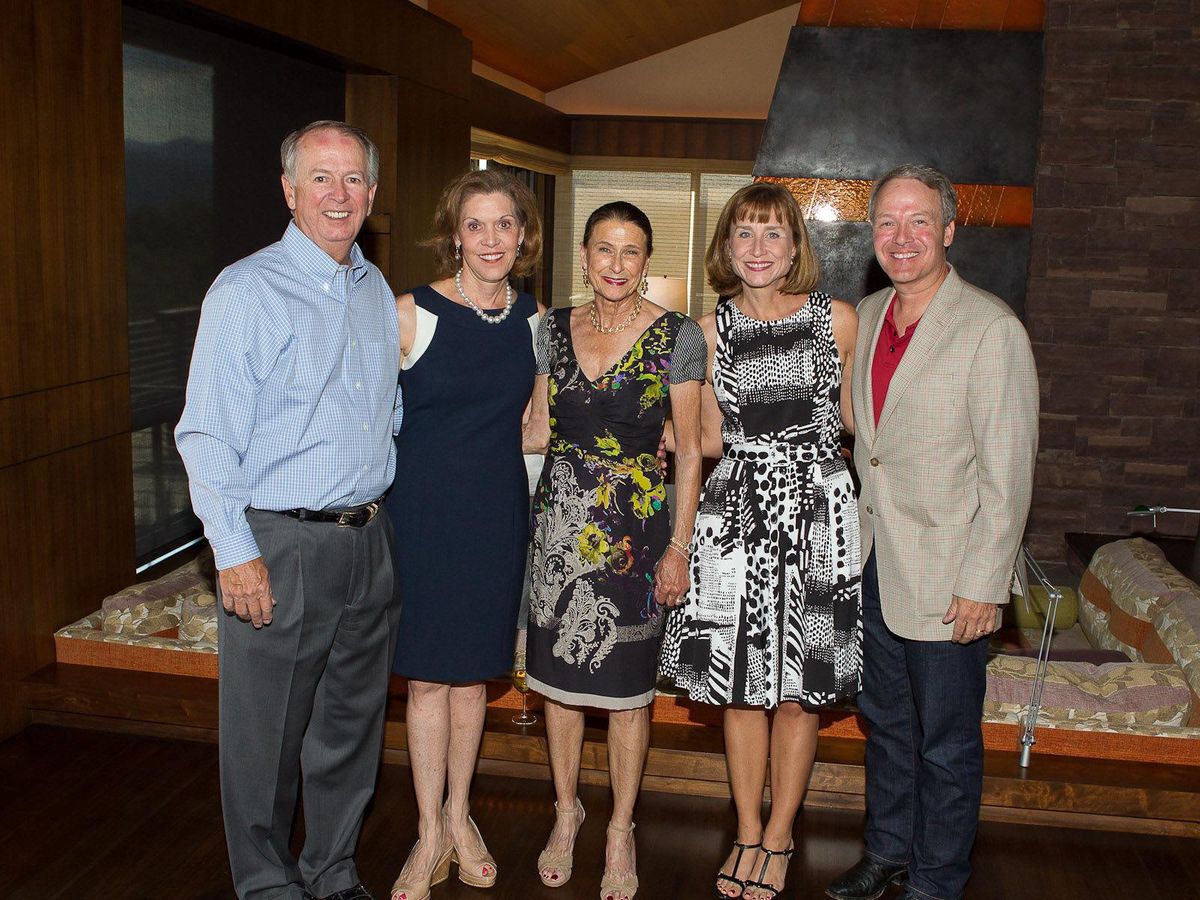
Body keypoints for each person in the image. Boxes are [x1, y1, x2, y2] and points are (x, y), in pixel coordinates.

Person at [176, 120, 400, 900]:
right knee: (264, 735)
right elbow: (204, 433)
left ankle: (332, 870)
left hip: (367, 538)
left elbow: (382, 406)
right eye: (320, 178)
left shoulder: (375, 290)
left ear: (371, 193)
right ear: (289, 190)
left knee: (348, 728)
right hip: (279, 542)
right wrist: (233, 550)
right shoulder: (247, 290)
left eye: (352, 180)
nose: (338, 195)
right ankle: (266, 882)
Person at [825, 164, 1038, 900]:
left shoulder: (991, 327)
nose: (902, 237)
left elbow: (1008, 470)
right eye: (887, 222)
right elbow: (866, 437)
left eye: (919, 222)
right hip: (876, 560)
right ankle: (887, 851)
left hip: (952, 577)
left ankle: (937, 881)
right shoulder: (875, 311)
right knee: (884, 723)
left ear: (948, 231)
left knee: (947, 743)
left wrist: (986, 584)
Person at [659, 181, 862, 900]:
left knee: (801, 693)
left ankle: (781, 837)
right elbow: (708, 436)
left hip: (816, 512)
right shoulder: (703, 331)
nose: (757, 248)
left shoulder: (838, 320)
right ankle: (746, 829)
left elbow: (855, 425)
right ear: (726, 245)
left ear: (795, 245)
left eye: (772, 233)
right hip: (735, 511)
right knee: (740, 688)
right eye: (743, 232)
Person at [522, 201, 705, 900]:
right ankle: (566, 811)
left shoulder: (678, 336)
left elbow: (689, 451)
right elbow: (535, 430)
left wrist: (679, 548)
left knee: (629, 696)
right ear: (585, 255)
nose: (617, 265)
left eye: (631, 253)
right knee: (559, 688)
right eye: (605, 249)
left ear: (646, 263)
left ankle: (620, 828)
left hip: (636, 538)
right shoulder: (550, 330)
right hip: (559, 535)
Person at [385, 168, 544, 900]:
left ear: (522, 234)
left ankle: (461, 817)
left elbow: (538, 427)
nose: (490, 239)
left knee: (477, 676)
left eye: (503, 224)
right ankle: (426, 832)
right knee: (425, 678)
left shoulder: (537, 320)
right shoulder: (409, 313)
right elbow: (362, 415)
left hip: (496, 511)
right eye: (475, 225)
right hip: (420, 512)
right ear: (455, 233)